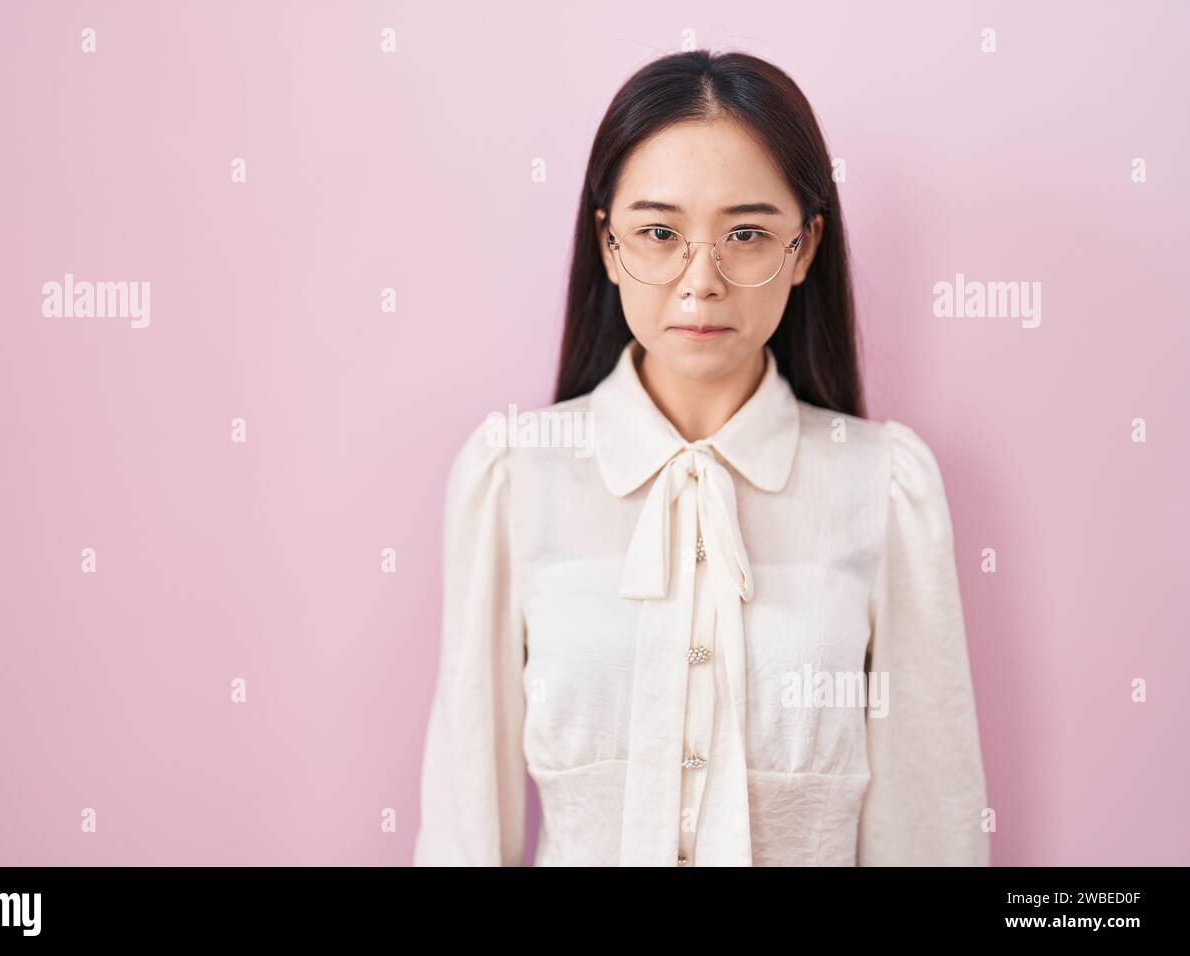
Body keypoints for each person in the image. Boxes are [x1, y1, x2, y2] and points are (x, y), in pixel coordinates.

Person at [412, 49, 990, 867]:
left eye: (747, 235)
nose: (701, 281)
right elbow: (467, 814)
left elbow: (931, 820)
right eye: (659, 233)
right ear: (608, 245)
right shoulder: (513, 477)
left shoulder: (885, 486)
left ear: (806, 246)